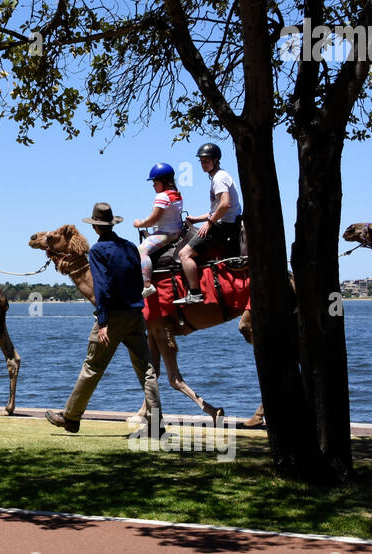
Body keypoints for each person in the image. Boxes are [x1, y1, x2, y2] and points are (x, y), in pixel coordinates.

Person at [46, 203, 163, 437]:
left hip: (113, 316)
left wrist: (103, 322)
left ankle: (71, 417)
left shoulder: (98, 251)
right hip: (135, 315)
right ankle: (156, 424)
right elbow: (139, 281)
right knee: (147, 370)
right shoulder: (130, 247)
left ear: (96, 227)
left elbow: (101, 288)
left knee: (92, 366)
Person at [176, 143, 242, 305]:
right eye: (201, 161)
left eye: (206, 161)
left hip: (222, 226)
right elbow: (217, 208)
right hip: (223, 222)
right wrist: (197, 219)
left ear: (216, 160)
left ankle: (195, 293)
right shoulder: (219, 177)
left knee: (184, 254)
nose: (203, 164)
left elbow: (225, 204)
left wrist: (209, 223)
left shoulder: (219, 178)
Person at [133, 162, 184, 298]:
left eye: (155, 182)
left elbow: (153, 220)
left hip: (166, 234)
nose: (153, 185)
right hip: (176, 232)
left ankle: (147, 285)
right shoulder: (176, 194)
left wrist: (139, 223)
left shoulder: (162, 196)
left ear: (164, 181)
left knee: (140, 251)